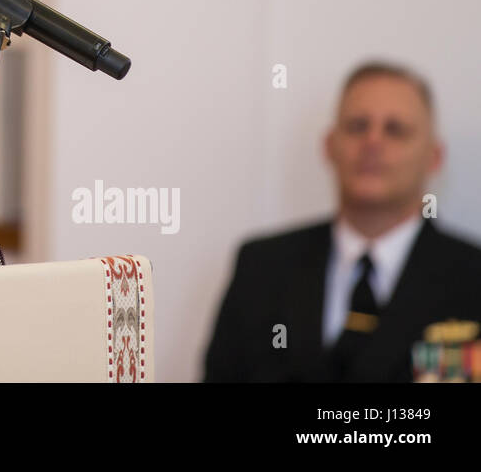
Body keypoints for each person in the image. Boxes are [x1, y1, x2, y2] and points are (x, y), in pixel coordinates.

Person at [203, 61, 481, 382]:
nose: (373, 142)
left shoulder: (472, 279)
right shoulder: (262, 268)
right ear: (330, 146)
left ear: (434, 157)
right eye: (357, 126)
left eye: (395, 129)